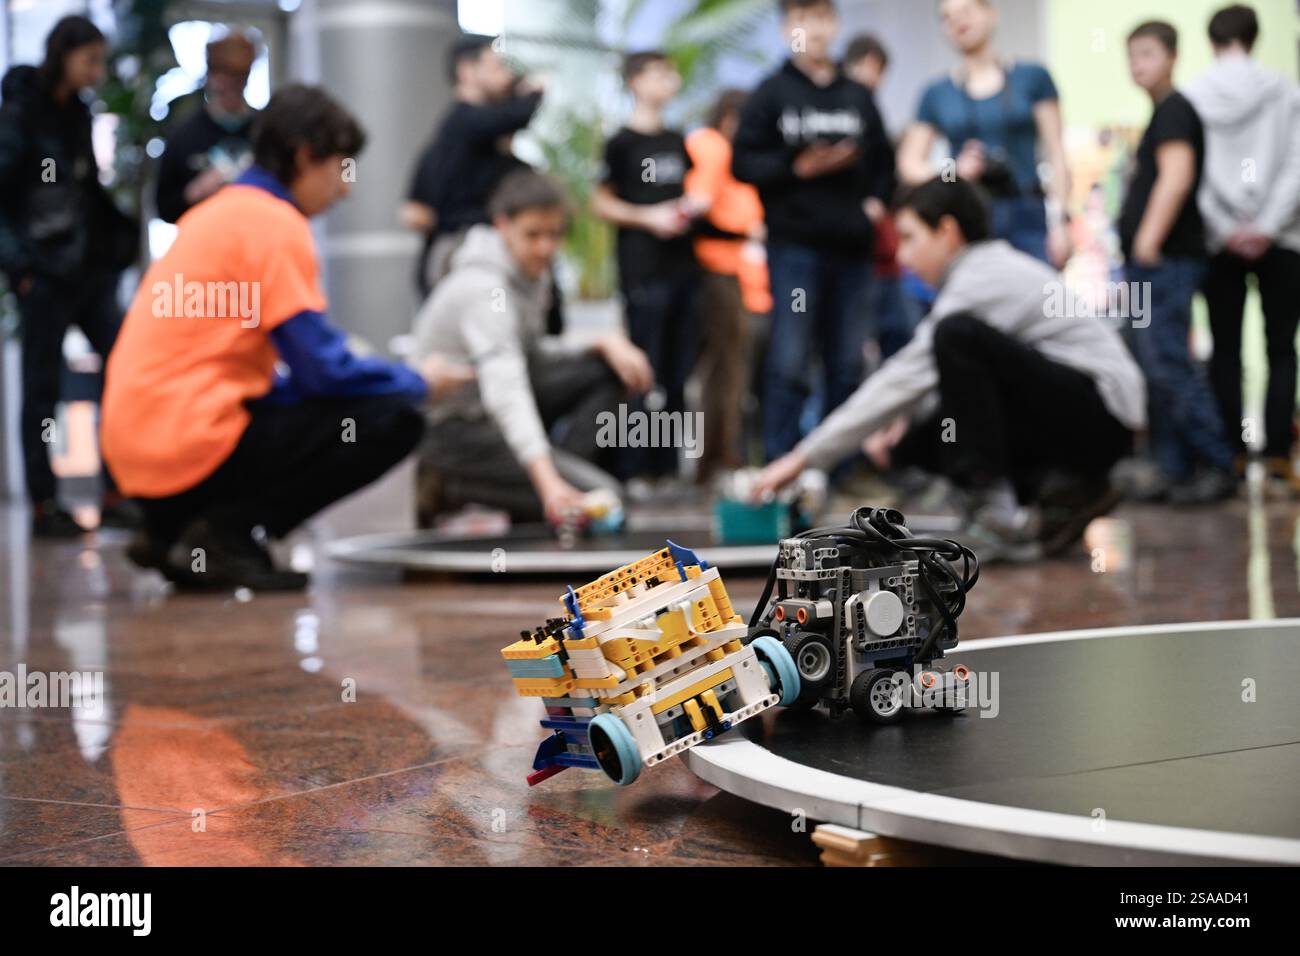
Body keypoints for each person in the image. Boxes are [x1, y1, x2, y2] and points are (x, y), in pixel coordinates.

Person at [101, 85, 471, 592]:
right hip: (188, 447)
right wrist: (417, 381)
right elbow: (323, 372)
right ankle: (224, 535)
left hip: (137, 454)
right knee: (393, 416)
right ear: (304, 155)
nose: (347, 189)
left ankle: (170, 530)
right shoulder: (273, 223)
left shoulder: (217, 212)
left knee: (320, 405)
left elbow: (276, 376)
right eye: (342, 169)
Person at [754, 178, 1145, 562]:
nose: (902, 256)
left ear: (947, 231)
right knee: (912, 437)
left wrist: (803, 457)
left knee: (955, 337)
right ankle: (1060, 498)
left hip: (1103, 417)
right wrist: (902, 419)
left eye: (909, 238)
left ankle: (1003, 514)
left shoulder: (984, 276)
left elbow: (903, 378)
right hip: (1084, 417)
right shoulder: (978, 272)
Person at [412, 171, 653, 525]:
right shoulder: (483, 290)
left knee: (605, 368)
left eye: (554, 235)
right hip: (456, 432)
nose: (545, 247)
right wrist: (548, 481)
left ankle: (549, 489)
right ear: (502, 226)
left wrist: (605, 341)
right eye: (532, 235)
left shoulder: (529, 273)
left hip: (494, 416)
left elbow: (533, 354)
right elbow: (506, 386)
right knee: (606, 498)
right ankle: (451, 484)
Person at [731, 0, 895, 462]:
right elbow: (743, 162)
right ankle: (782, 465)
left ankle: (839, 469)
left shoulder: (857, 96)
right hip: (794, 248)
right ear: (787, 28)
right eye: (803, 19)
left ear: (836, 25)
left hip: (853, 250)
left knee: (847, 363)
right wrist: (796, 166)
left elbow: (885, 161)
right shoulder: (769, 93)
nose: (815, 29)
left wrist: (876, 204)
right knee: (789, 361)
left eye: (823, 18)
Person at [0, 15, 138, 538]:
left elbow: (85, 190)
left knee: (123, 365)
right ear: (65, 55)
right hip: (44, 273)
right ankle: (43, 504)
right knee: (42, 391)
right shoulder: (20, 113)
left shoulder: (77, 114)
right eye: (91, 60)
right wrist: (23, 269)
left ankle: (116, 488)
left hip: (88, 270)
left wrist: (119, 239)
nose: (98, 71)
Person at [1186, 4, 1300, 494]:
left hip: (1218, 241)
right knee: (1281, 348)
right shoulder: (1286, 90)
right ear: (1253, 38)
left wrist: (1226, 224)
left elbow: (1189, 170)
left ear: (1212, 41)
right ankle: (1277, 457)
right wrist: (1269, 223)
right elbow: (1297, 162)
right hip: (1285, 236)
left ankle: (1231, 455)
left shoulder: (1192, 95)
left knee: (1225, 351)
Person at [1121, 20, 1235, 505]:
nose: (1137, 64)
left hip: (1165, 261)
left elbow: (1178, 176)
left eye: (1147, 53)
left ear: (1172, 56)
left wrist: (1148, 238)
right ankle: (1175, 469)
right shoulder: (1163, 112)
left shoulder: (1174, 111)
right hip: (1155, 264)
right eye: (1132, 55)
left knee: (1169, 362)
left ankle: (1217, 463)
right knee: (1154, 363)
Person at [591, 51, 701, 481]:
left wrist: (687, 210)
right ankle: (634, 469)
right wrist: (647, 218)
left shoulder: (677, 138)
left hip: (683, 269)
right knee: (644, 371)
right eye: (656, 73)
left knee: (677, 374)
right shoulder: (621, 142)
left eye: (669, 72)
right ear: (635, 82)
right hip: (643, 269)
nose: (666, 80)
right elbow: (599, 200)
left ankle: (669, 469)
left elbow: (686, 189)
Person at [897, 0, 1071, 268]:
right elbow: (909, 164)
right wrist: (953, 171)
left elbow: (1057, 152)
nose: (958, 21)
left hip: (1027, 210)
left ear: (991, 14)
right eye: (947, 17)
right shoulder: (936, 93)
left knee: (1036, 300)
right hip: (969, 216)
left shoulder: (1032, 77)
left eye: (967, 11)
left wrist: (1061, 221)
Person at [403, 35, 543, 299]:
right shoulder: (461, 123)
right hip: (464, 252)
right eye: (496, 67)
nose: (504, 75)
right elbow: (413, 213)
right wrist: (534, 91)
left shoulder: (487, 150)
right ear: (466, 71)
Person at [684, 89, 770, 482]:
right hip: (716, 273)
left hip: (738, 279)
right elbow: (696, 204)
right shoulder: (711, 145)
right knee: (725, 372)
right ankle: (716, 461)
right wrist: (741, 233)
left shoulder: (740, 163)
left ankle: (722, 457)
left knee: (731, 372)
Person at [844, 33, 921, 360]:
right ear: (869, 65)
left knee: (900, 338)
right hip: (852, 258)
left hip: (884, 260)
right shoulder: (843, 110)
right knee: (846, 354)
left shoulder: (870, 115)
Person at [155, 30, 259, 224]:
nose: (231, 88)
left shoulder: (266, 131)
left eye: (238, 79)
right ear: (210, 75)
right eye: (224, 77)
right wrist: (195, 191)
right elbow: (164, 208)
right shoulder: (184, 135)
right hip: (203, 241)